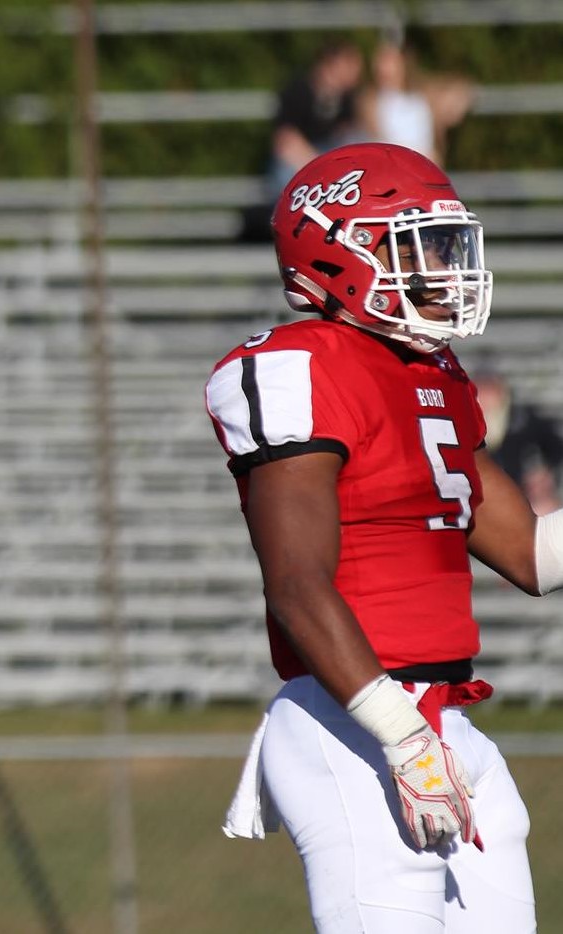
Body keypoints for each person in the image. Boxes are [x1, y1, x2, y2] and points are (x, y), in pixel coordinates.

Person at [207, 143, 544, 930]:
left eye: (445, 244)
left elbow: (531, 556)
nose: (440, 267)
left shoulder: (435, 377)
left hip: (442, 717)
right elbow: (294, 585)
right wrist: (400, 740)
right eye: (416, 245)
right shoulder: (302, 366)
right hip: (350, 719)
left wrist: (425, 738)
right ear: (336, 256)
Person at [267, 40, 365, 197]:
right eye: (351, 64)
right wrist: (320, 167)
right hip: (300, 159)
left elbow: (349, 136)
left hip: (327, 157)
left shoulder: (348, 98)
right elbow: (285, 141)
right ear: (333, 64)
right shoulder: (298, 91)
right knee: (285, 176)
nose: (357, 72)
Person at [357, 38, 475, 167]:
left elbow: (460, 92)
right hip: (392, 167)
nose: (383, 67)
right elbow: (375, 138)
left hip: (423, 166)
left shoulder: (422, 95)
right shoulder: (371, 99)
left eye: (390, 60)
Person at [472, 368, 563, 513]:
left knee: (543, 508)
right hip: (480, 496)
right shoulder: (463, 422)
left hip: (521, 491)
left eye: (489, 390)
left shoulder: (522, 418)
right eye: (481, 390)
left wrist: (545, 472)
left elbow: (555, 445)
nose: (486, 397)